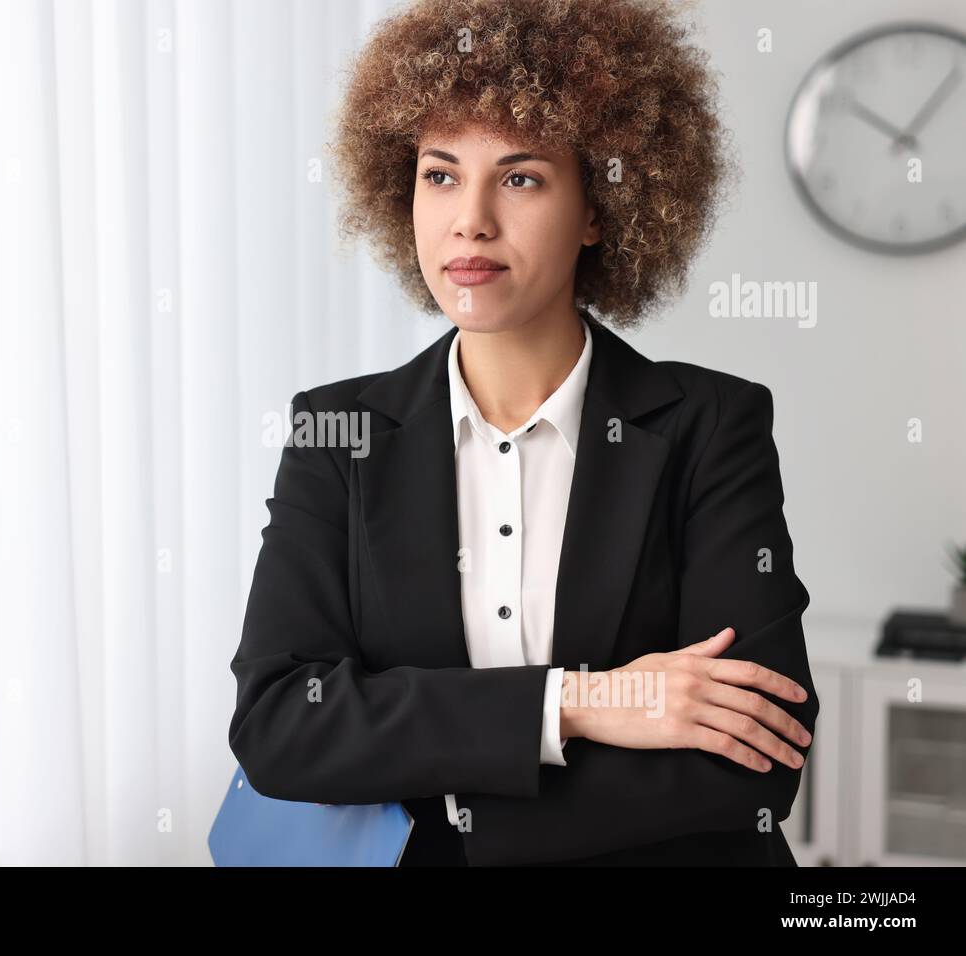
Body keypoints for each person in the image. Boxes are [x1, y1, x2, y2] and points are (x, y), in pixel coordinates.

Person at [228, 0, 819, 866]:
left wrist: (446, 805)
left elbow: (757, 755)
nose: (470, 219)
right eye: (439, 175)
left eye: (520, 177)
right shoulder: (337, 431)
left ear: (598, 207)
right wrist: (576, 704)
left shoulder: (710, 427)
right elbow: (283, 723)